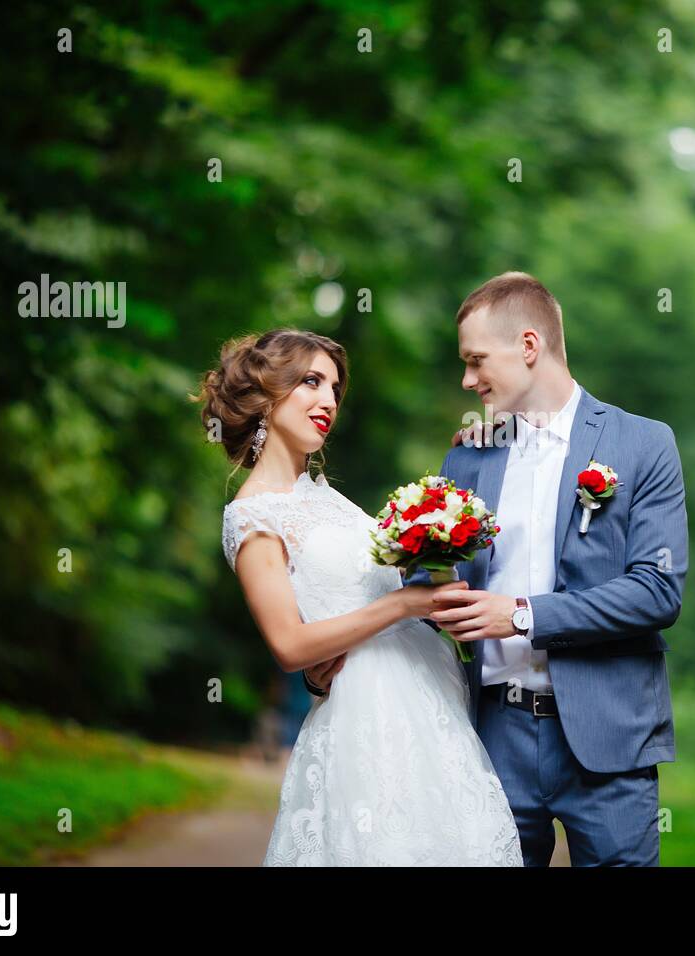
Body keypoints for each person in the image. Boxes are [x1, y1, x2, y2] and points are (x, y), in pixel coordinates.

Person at [303, 272, 689, 866]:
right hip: (491, 736)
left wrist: (522, 614)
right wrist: (350, 655)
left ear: (529, 347)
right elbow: (427, 594)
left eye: (476, 360)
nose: (467, 378)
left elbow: (657, 591)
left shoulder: (643, 444)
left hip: (610, 737)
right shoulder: (468, 453)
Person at [195, 328, 522, 866]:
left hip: (428, 701)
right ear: (265, 392)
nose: (328, 401)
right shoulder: (252, 517)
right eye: (310, 382)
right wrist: (400, 607)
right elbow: (289, 644)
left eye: (334, 389)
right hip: (366, 720)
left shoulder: (328, 499)